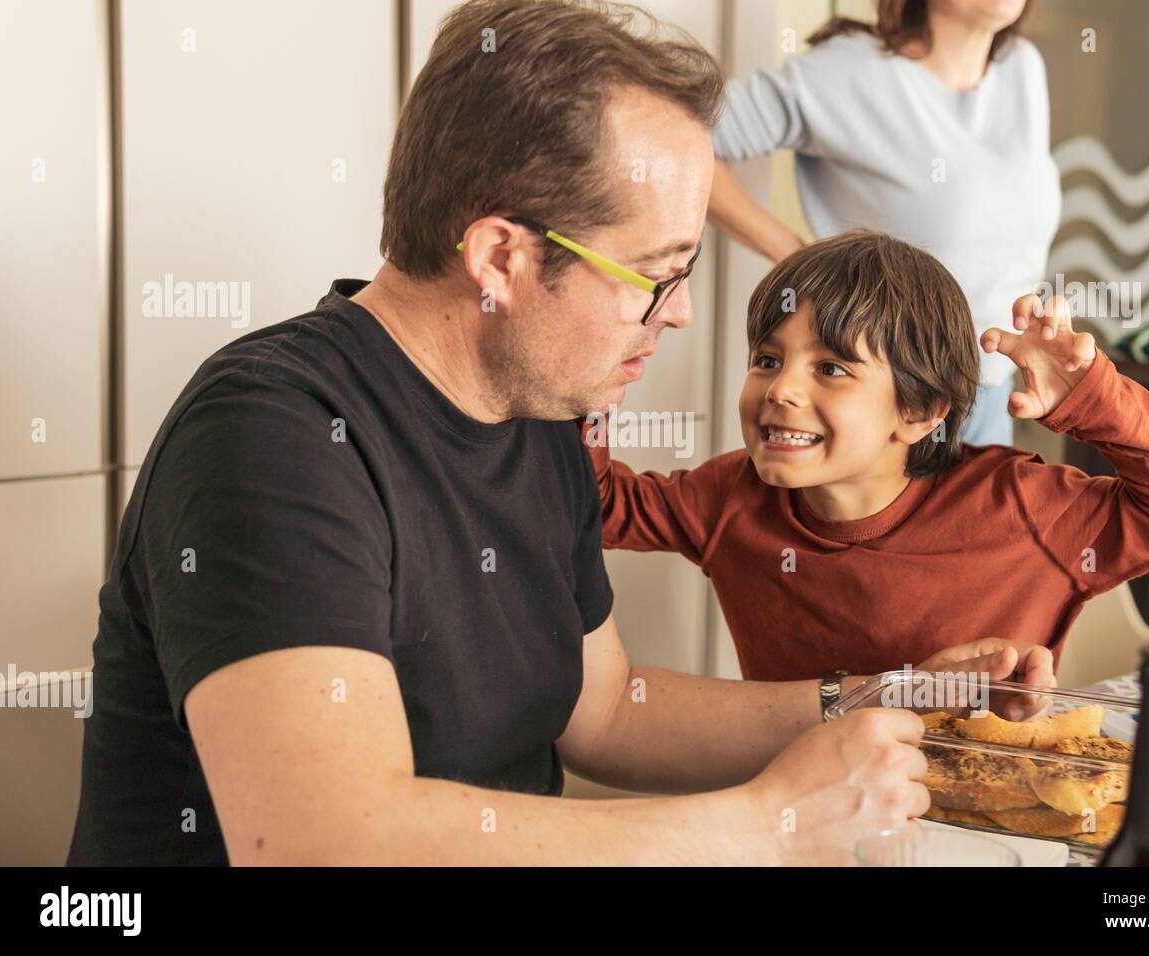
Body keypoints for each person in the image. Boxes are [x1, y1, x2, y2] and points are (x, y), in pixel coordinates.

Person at [66, 0, 1053, 867]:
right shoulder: (273, 433)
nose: (680, 313)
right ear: (500, 256)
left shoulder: (537, 411)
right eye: (656, 272)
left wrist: (898, 690)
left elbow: (606, 706)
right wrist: (764, 829)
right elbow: (329, 840)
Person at [585, 230, 1149, 681]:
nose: (780, 388)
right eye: (767, 360)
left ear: (921, 412)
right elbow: (597, 507)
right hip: (802, 815)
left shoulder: (1019, 505)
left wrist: (1095, 398)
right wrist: (593, 371)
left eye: (832, 368)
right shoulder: (729, 497)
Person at [708, 0, 1060, 446]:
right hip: (887, 394)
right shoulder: (846, 71)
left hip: (991, 394)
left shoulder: (1022, 69)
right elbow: (690, 138)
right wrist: (793, 253)